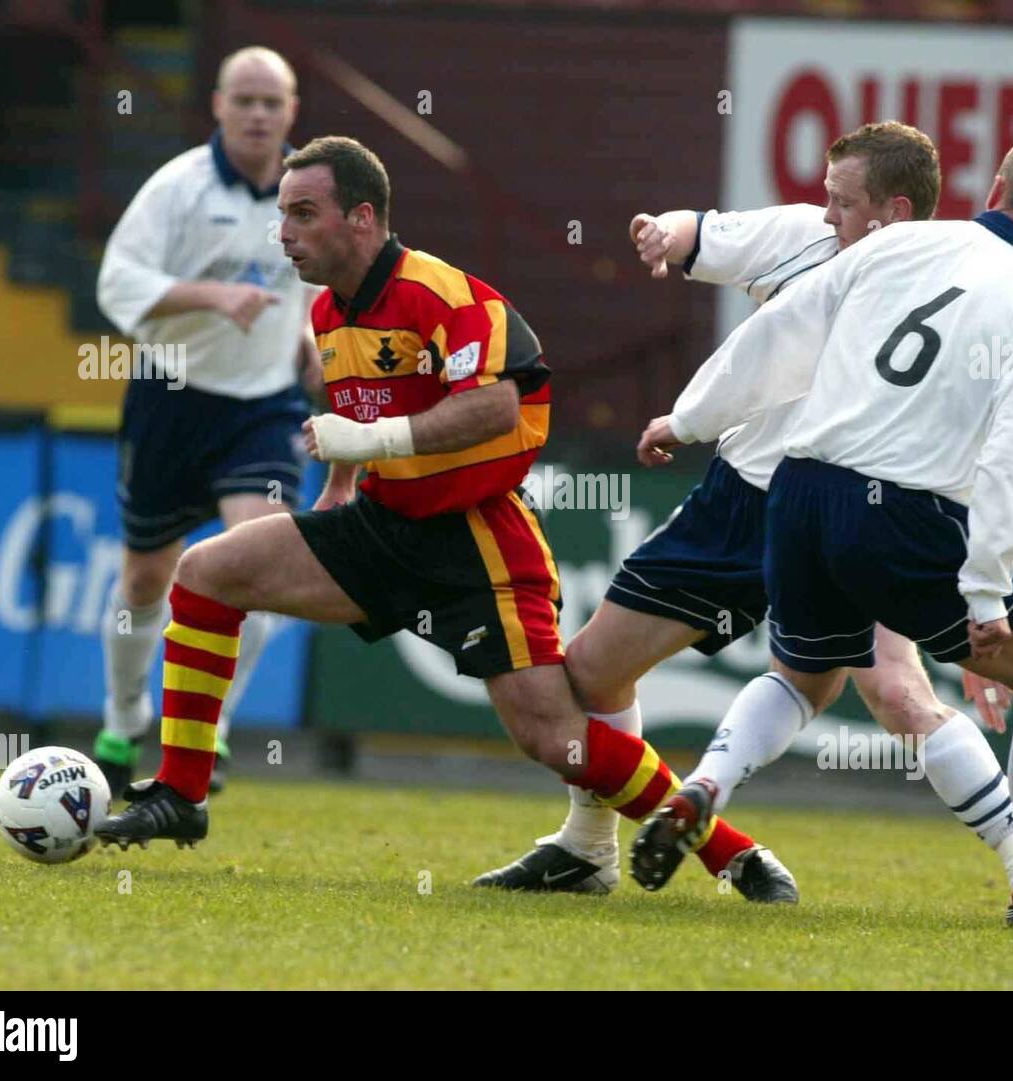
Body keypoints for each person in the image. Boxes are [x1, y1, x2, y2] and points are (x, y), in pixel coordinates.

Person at [93, 136, 790, 903]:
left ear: (362, 218)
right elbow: (358, 405)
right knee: (205, 574)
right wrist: (340, 482)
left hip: (474, 539)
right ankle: (181, 793)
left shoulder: (440, 293)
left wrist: (372, 442)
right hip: (380, 522)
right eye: (282, 213)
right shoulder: (328, 307)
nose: (282, 231)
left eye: (302, 213)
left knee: (552, 739)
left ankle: (731, 851)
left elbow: (494, 405)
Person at [475, 122, 1013, 898]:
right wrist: (662, 233)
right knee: (593, 672)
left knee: (896, 695)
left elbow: (975, 445)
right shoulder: (803, 235)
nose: (826, 212)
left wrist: (964, 600)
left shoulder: (954, 294)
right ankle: (588, 847)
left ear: (896, 211)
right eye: (826, 195)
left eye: (843, 201)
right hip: (740, 505)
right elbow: (704, 235)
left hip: (858, 509)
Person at [634, 136, 1013, 931]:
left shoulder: (902, 242)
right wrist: (984, 585)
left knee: (805, 677)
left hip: (798, 491)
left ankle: (709, 784)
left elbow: (784, 332)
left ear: (997, 185)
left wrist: (689, 417)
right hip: (901, 510)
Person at [93, 46, 321, 796]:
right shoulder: (179, 186)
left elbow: (326, 291)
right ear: (218, 105)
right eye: (244, 99)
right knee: (146, 577)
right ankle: (124, 718)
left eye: (272, 101)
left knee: (254, 566)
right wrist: (211, 297)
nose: (258, 114)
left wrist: (319, 356)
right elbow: (116, 281)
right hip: (171, 394)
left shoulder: (313, 191)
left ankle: (208, 729)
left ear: (290, 110)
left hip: (264, 406)